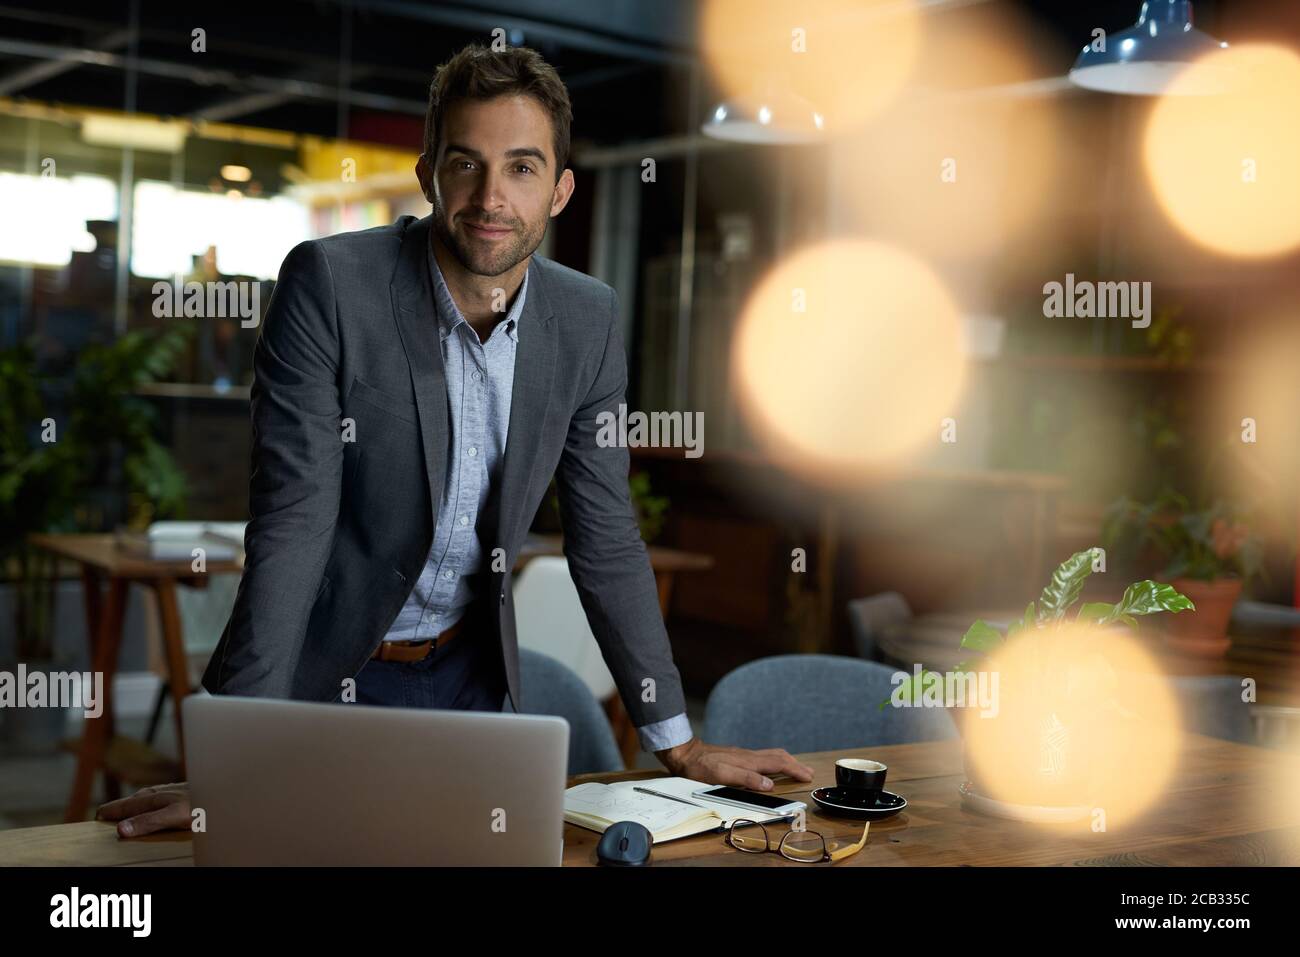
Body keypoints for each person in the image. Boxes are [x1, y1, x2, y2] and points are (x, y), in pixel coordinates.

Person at [100, 43, 811, 838]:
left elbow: (605, 532)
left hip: (470, 687)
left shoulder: (587, 319)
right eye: (466, 163)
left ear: (562, 190)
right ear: (428, 171)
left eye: (521, 168)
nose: (490, 197)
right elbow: (292, 524)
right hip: (324, 675)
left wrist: (678, 744)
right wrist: (234, 752)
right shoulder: (331, 285)